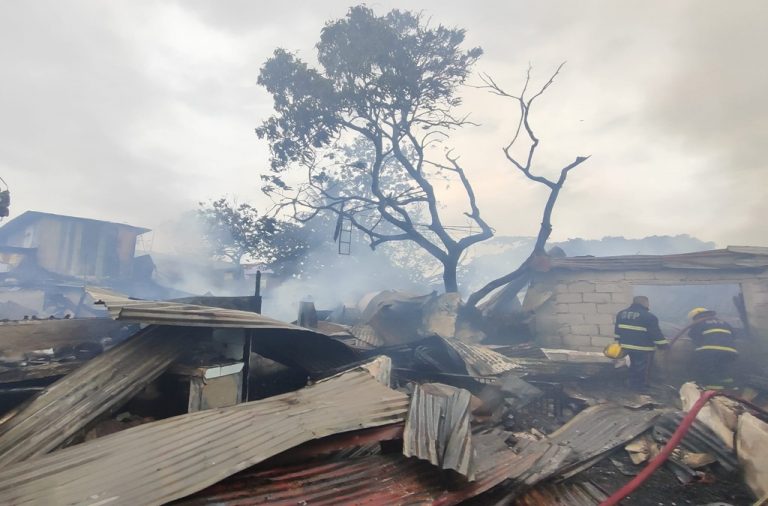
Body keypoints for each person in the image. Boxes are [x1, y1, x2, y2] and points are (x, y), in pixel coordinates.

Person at [614, 296, 669, 390]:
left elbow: (617, 330)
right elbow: (655, 333)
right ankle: (640, 388)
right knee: (642, 369)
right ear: (644, 303)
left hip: (625, 347)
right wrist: (663, 345)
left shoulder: (621, 314)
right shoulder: (649, 316)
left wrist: (619, 342)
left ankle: (631, 384)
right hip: (643, 348)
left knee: (632, 366)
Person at [687, 307, 738, 390]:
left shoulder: (699, 322)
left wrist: (700, 345)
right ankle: (731, 389)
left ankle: (714, 390)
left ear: (695, 317)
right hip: (730, 351)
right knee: (723, 370)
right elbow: (734, 335)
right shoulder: (724, 322)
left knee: (708, 369)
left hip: (710, 351)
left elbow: (693, 336)